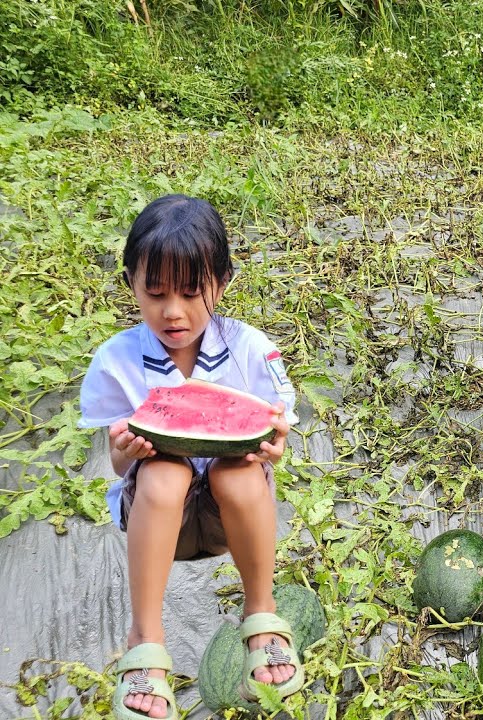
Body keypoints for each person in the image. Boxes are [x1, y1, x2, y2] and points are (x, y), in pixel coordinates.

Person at [79, 195, 306, 719]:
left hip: (235, 516)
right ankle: (146, 639)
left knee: (242, 472)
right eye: (154, 293)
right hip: (159, 521)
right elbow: (119, 470)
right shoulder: (116, 362)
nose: (172, 311)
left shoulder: (251, 350)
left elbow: (275, 436)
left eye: (190, 292)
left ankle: (261, 612)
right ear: (131, 282)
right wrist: (122, 455)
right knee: (160, 471)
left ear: (222, 283)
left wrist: (274, 444)